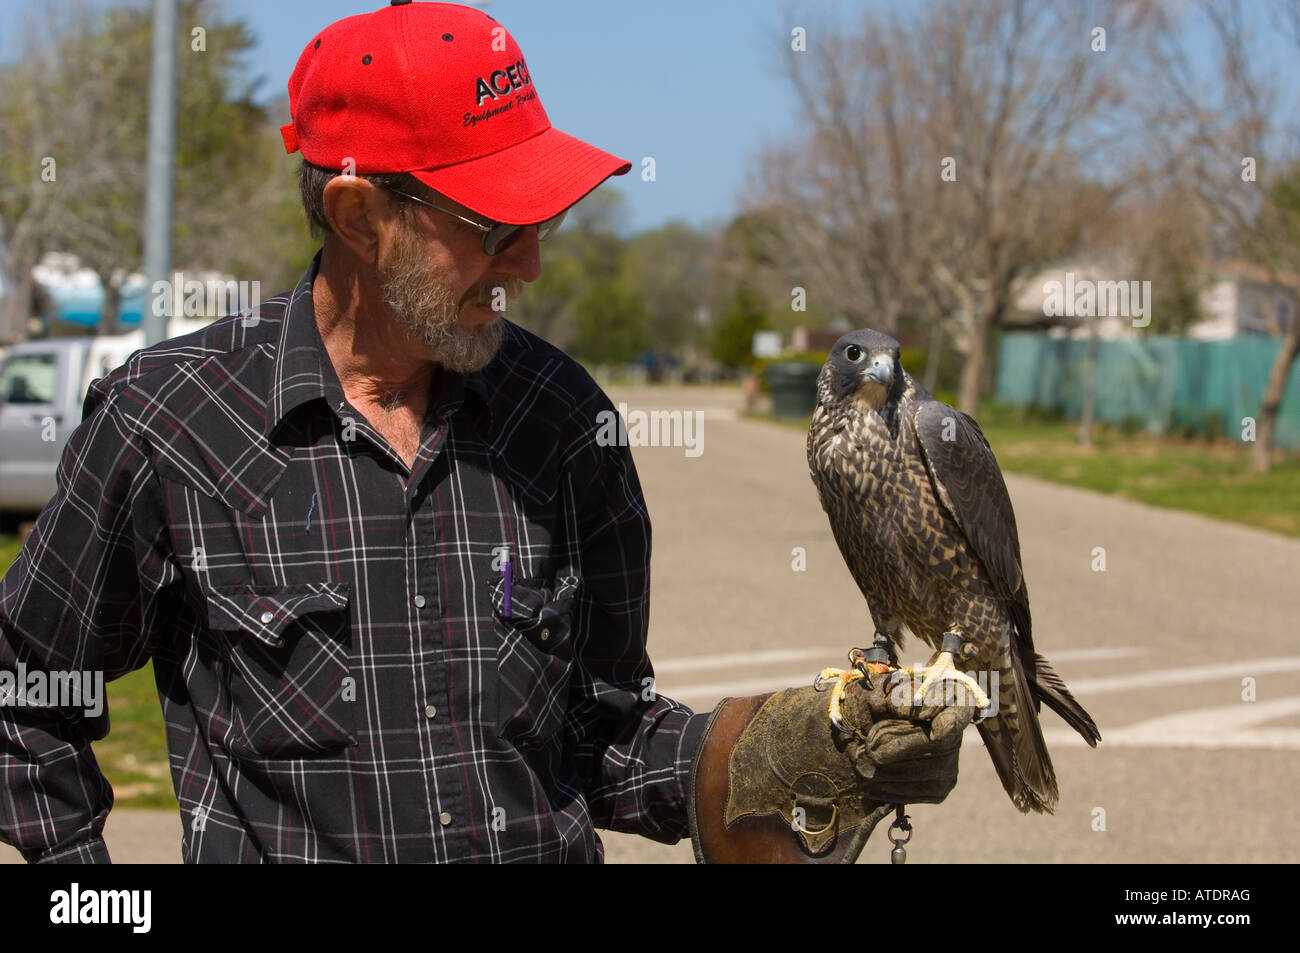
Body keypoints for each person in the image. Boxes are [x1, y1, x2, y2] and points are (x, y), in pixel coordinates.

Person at [0, 1, 968, 864]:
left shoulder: (563, 417)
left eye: (543, 218)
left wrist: (769, 755)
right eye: (495, 226)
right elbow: (27, 687)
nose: (533, 261)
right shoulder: (172, 417)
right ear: (358, 212)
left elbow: (600, 733)